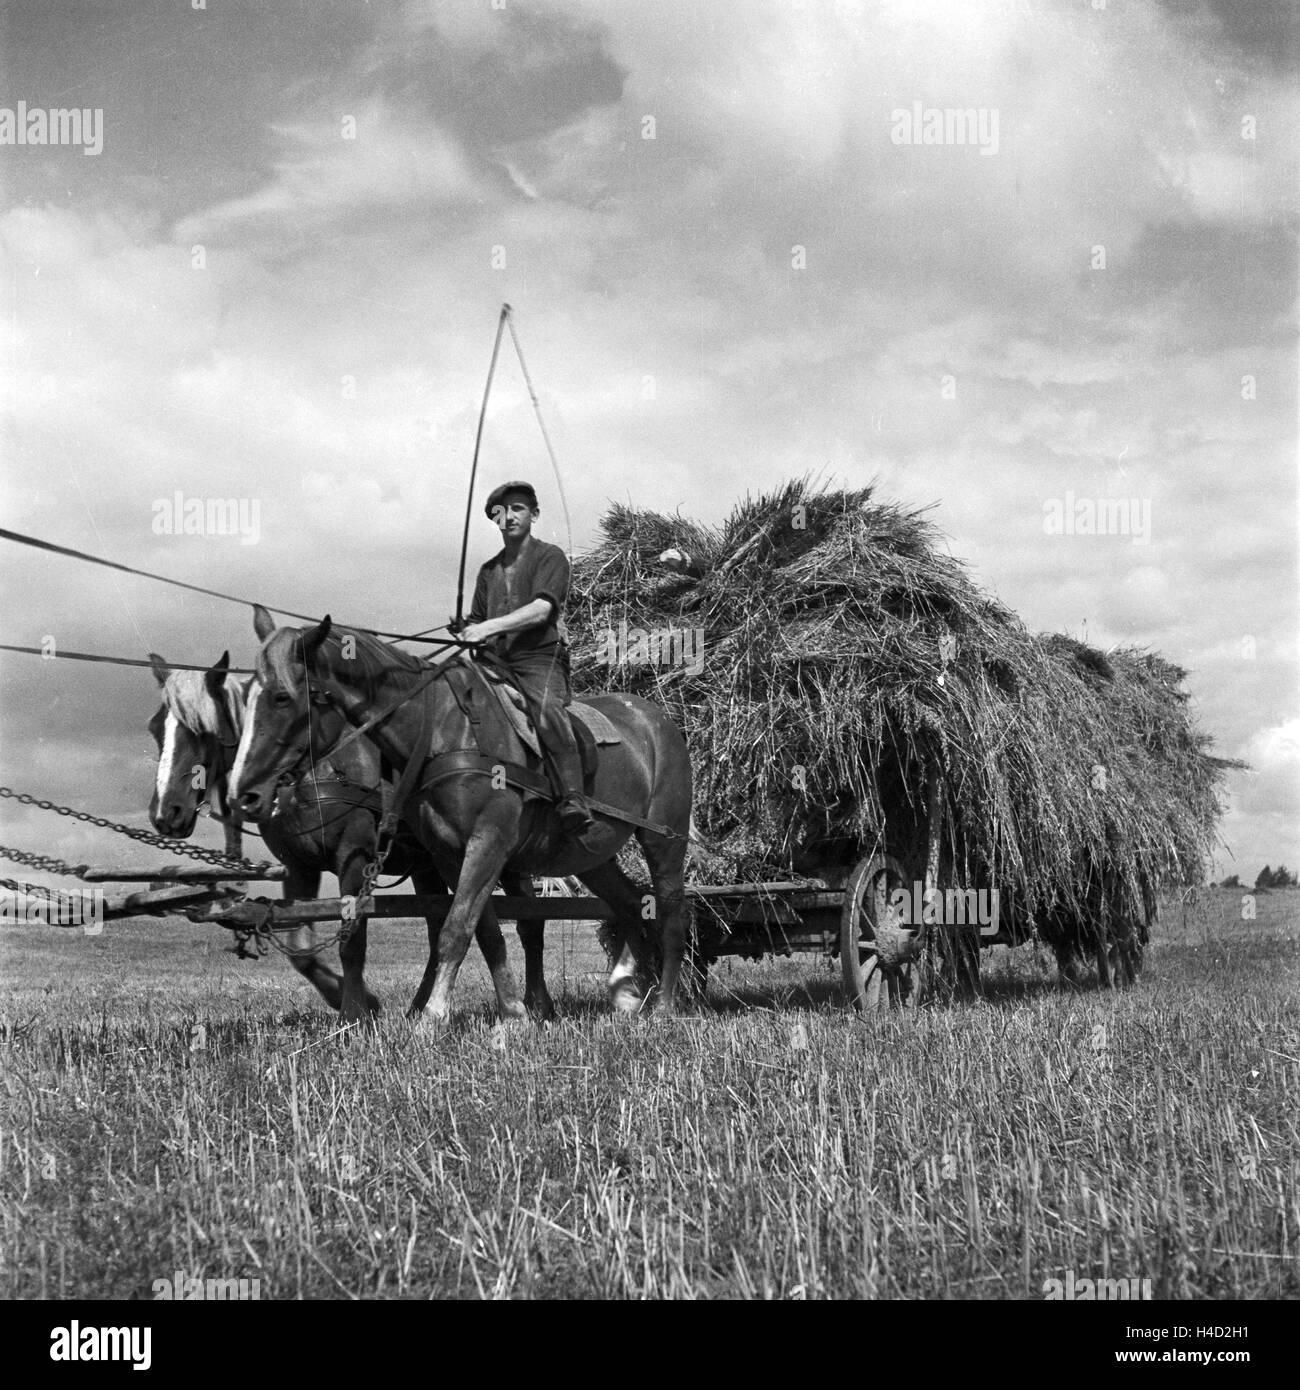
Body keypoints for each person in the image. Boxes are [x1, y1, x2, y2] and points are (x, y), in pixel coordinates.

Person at [457, 481, 594, 835]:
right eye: (501, 512)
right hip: (494, 663)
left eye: (518, 509)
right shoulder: (488, 571)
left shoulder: (550, 557)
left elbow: (542, 610)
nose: (509, 517)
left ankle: (573, 797)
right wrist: (466, 630)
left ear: (534, 515)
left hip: (538, 659)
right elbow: (476, 622)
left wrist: (487, 627)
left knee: (547, 709)